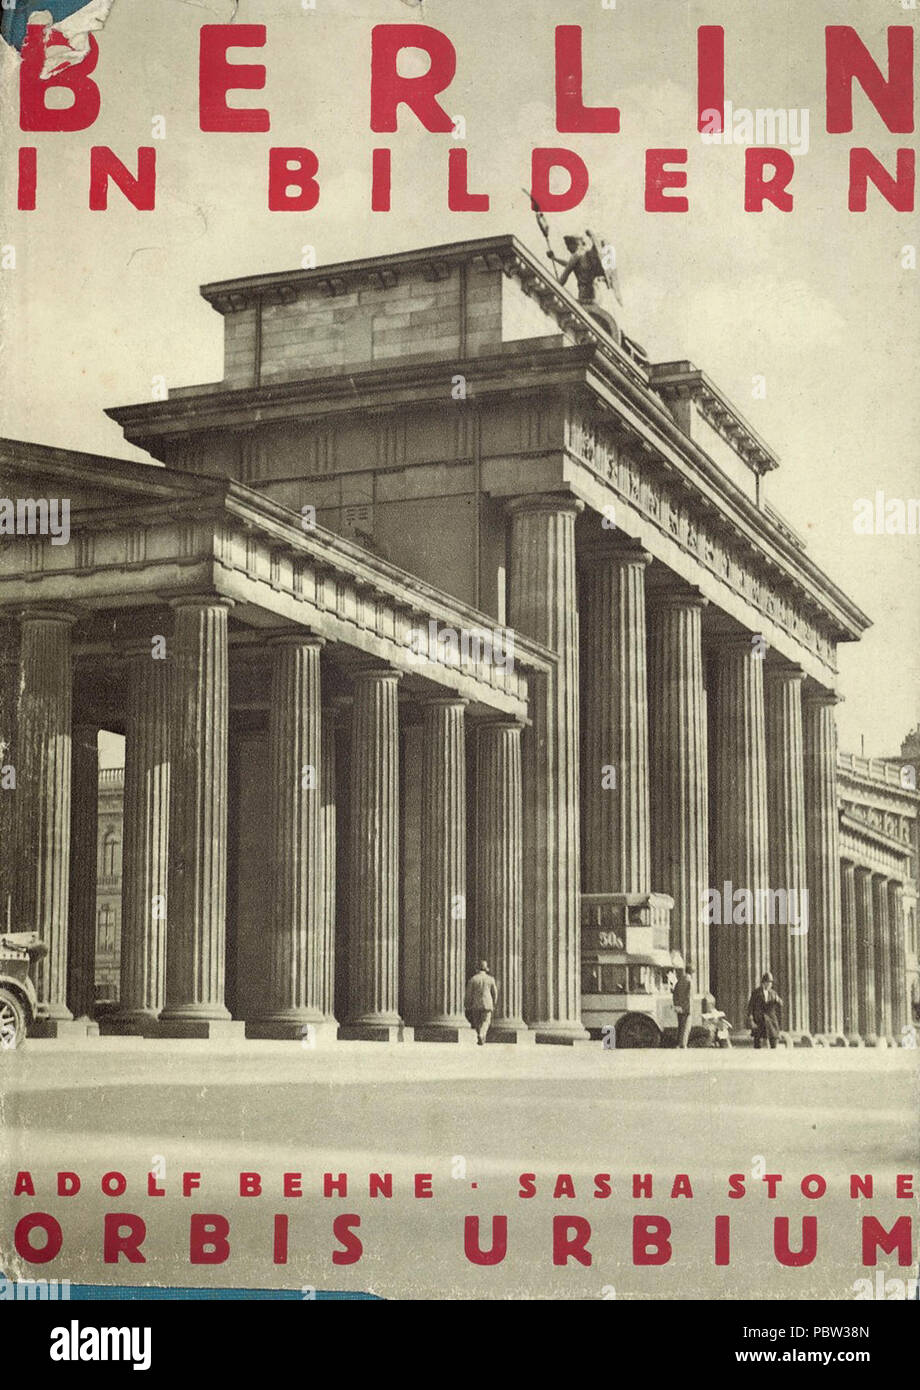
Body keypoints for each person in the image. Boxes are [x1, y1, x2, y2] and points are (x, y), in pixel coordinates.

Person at [747, 972, 784, 1049]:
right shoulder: (756, 992)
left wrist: (777, 999)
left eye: (771, 983)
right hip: (759, 1019)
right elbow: (750, 1006)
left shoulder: (773, 993)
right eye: (768, 982)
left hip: (771, 1020)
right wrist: (751, 1020)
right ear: (764, 982)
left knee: (773, 1039)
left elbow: (781, 1004)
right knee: (758, 1041)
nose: (770, 984)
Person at [465, 961, 498, 1045]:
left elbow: (468, 993)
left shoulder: (473, 979)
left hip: (476, 1003)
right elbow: (495, 993)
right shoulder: (490, 979)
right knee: (486, 1021)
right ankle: (481, 1034)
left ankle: (480, 1035)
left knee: (476, 1022)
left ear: (477, 969)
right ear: (486, 969)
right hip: (487, 1003)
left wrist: (467, 1003)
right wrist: (494, 1002)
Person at [672, 965, 693, 1048]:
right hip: (686, 1007)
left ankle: (678, 1043)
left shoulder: (679, 981)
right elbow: (689, 996)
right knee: (686, 1027)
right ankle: (683, 1044)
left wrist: (677, 1004)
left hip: (679, 1007)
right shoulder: (689, 981)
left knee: (680, 1025)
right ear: (692, 972)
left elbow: (674, 994)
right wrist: (688, 1008)